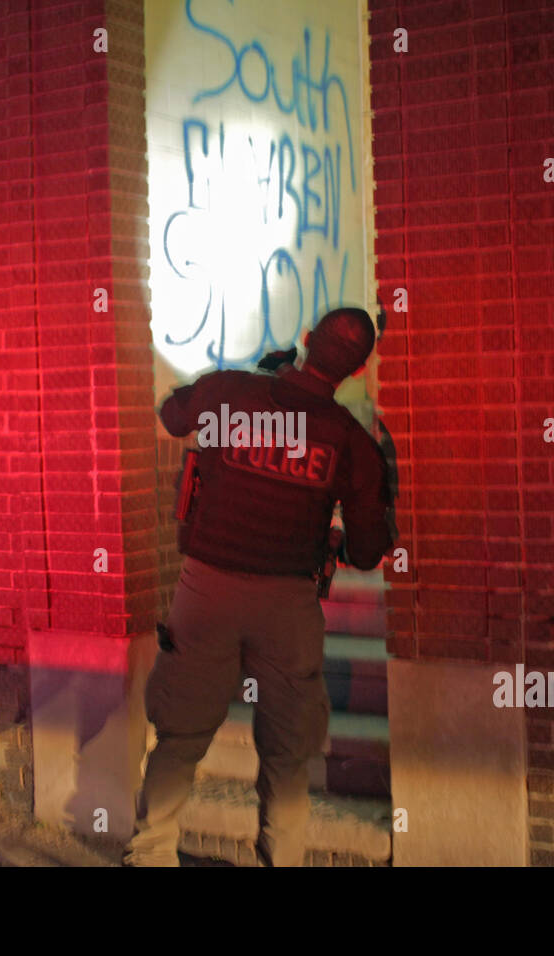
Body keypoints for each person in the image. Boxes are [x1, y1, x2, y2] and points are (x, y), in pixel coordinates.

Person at [123, 307, 396, 867]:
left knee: (179, 736)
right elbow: (369, 551)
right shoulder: (352, 444)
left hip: (206, 592)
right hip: (288, 605)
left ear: (302, 341)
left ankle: (150, 854)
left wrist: (250, 377)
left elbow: (173, 414)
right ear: (359, 370)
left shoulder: (231, 391)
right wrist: (339, 537)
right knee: (288, 754)